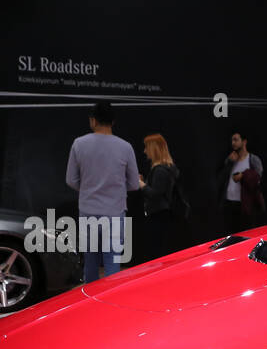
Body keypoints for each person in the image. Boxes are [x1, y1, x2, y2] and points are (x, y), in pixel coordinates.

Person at [66, 100, 138, 281]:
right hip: (115, 212)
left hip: (88, 211)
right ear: (113, 122)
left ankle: (90, 305)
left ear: (93, 120)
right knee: (113, 262)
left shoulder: (79, 144)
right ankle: (110, 307)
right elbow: (134, 184)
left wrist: (88, 188)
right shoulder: (125, 146)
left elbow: (71, 180)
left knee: (90, 262)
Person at [138, 134, 182, 263]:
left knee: (158, 252)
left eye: (146, 148)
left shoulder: (160, 170)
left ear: (154, 149)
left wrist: (141, 185)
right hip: (162, 215)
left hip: (158, 216)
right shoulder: (164, 169)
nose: (145, 151)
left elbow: (155, 194)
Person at [216, 131, 263, 234]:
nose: (233, 143)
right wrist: (229, 162)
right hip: (229, 204)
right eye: (232, 140)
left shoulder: (253, 159)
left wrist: (244, 175)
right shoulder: (230, 159)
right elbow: (221, 179)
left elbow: (259, 180)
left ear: (244, 142)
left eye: (236, 140)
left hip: (245, 206)